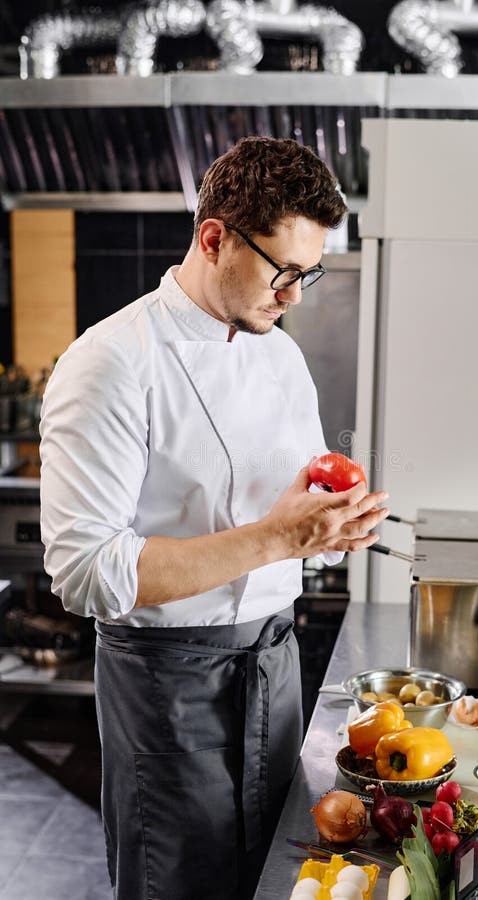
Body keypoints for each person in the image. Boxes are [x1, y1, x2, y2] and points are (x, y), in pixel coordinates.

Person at [39, 136, 389, 900]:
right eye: (283, 271)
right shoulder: (111, 363)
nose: (296, 294)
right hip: (167, 685)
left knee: (274, 875)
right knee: (180, 882)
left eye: (310, 272)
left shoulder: (279, 356)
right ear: (214, 238)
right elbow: (87, 574)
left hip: (273, 665)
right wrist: (279, 537)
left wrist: (328, 531)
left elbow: (291, 515)